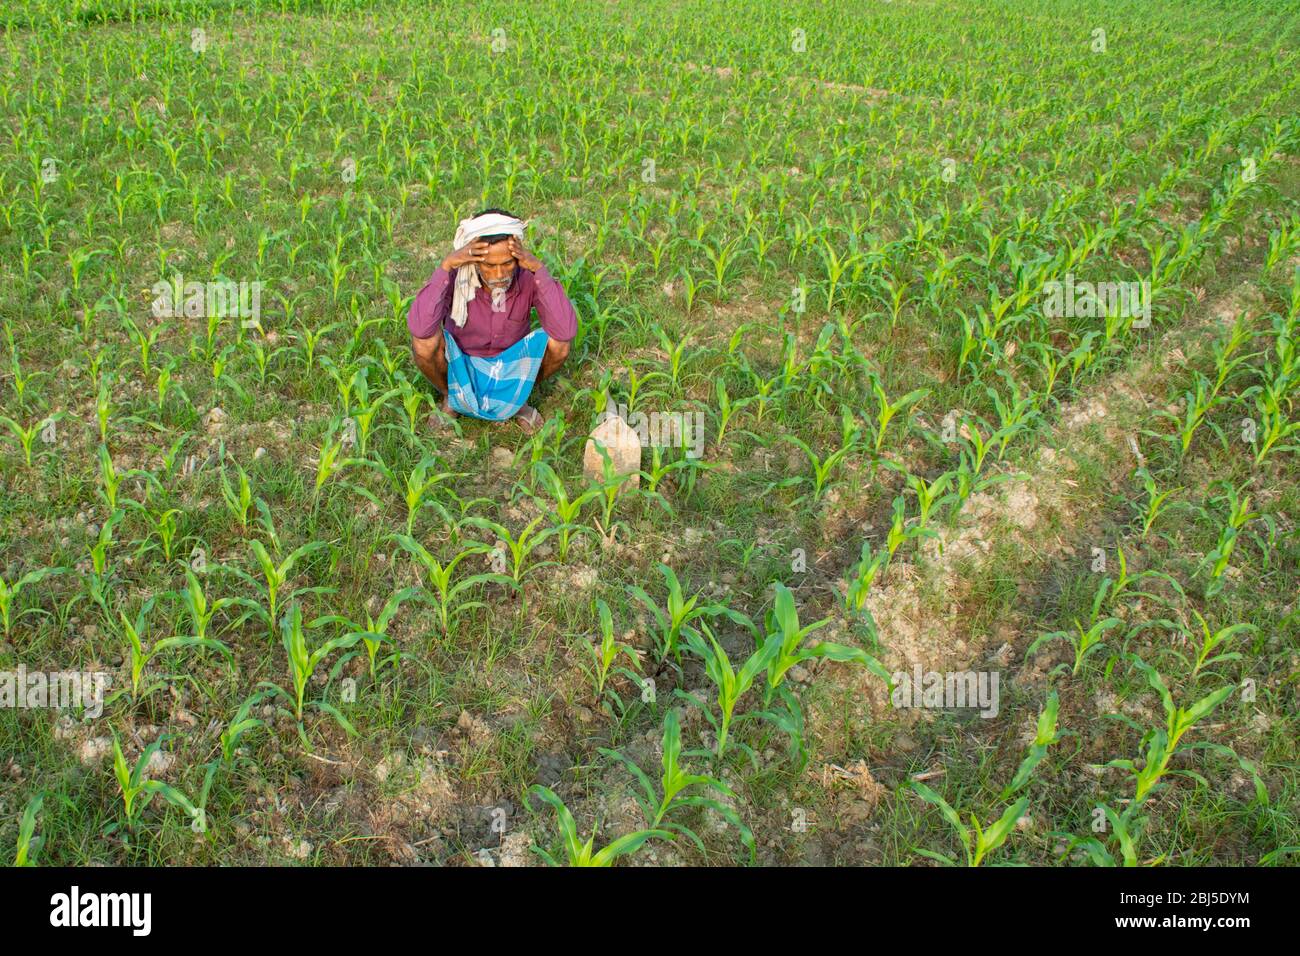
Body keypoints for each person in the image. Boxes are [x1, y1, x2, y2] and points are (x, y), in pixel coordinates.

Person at [407, 207, 577, 433]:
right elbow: (420, 327)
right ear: (474, 259)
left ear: (518, 257)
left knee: (560, 344)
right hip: (461, 364)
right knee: (424, 342)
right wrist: (446, 266)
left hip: (510, 364)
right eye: (489, 265)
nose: (499, 274)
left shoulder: (527, 279)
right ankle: (450, 396)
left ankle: (518, 400)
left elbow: (565, 331)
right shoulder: (457, 278)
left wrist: (539, 269)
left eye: (507, 263)